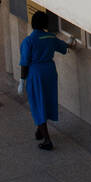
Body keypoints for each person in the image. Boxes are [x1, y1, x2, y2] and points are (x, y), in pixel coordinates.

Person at [17, 10, 79, 150]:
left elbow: (25, 62)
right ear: (45, 24)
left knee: (37, 103)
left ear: (33, 24)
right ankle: (40, 130)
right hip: (50, 71)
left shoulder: (29, 41)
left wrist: (22, 81)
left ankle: (47, 140)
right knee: (47, 100)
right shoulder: (50, 37)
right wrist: (70, 42)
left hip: (36, 73)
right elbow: (63, 46)